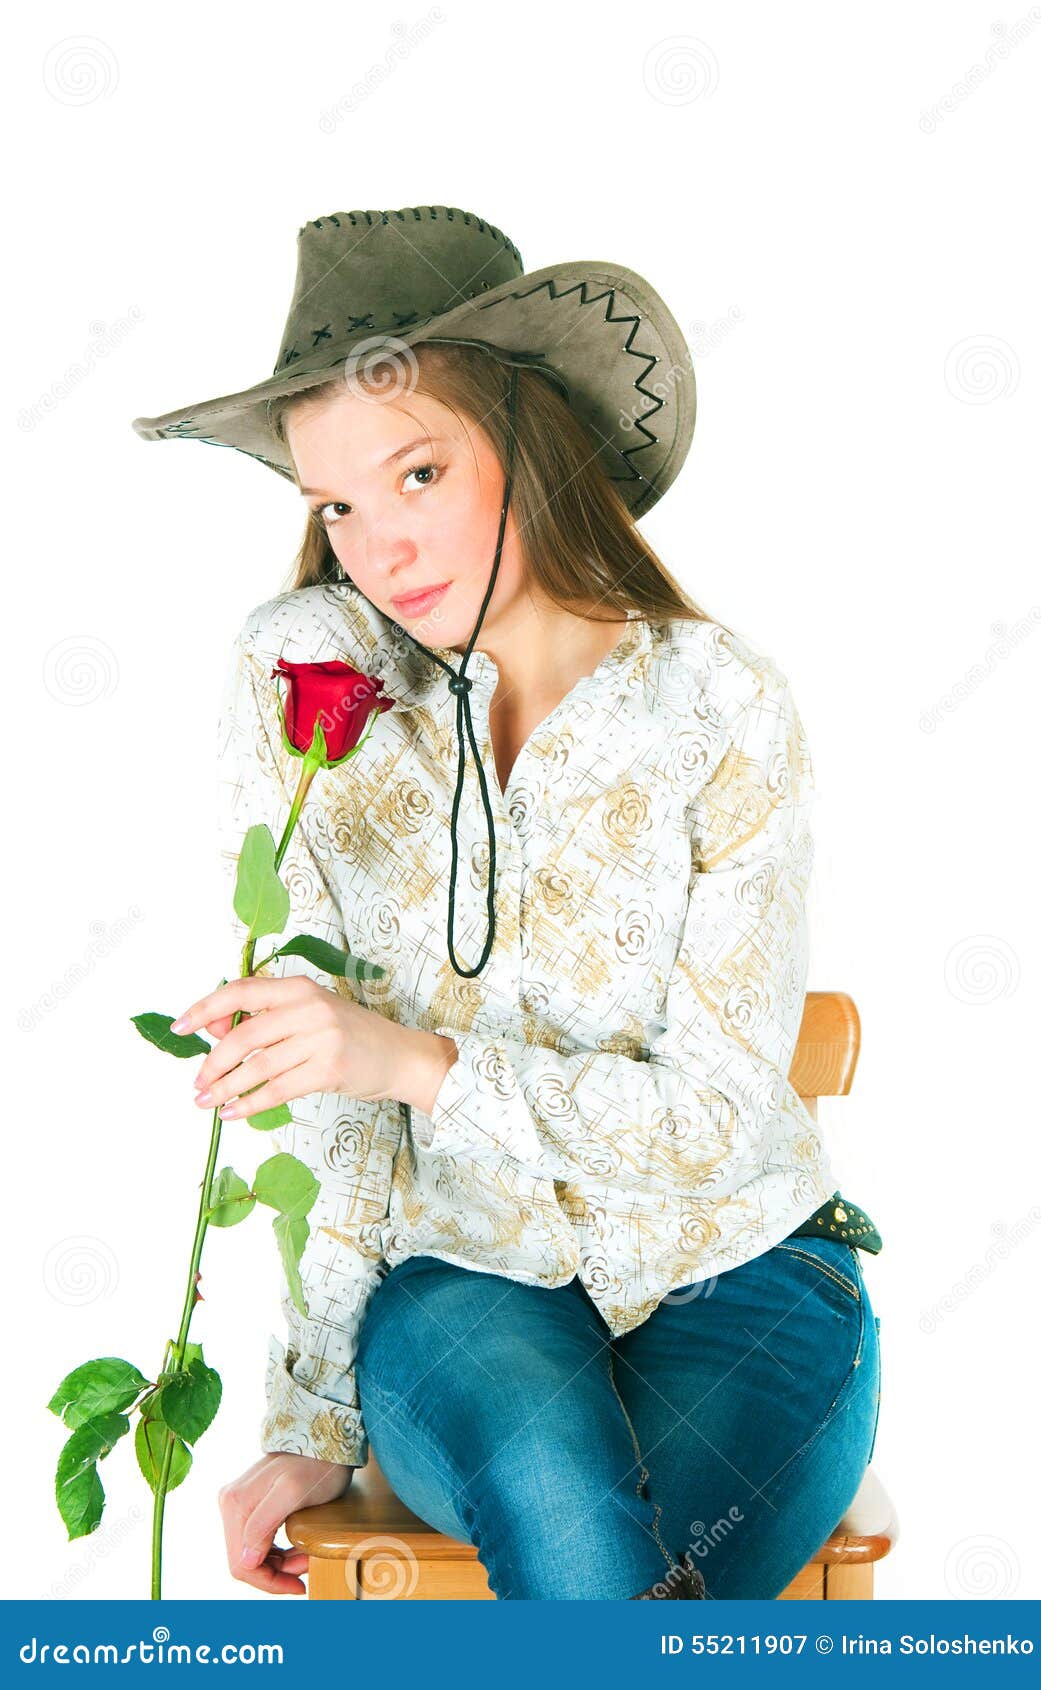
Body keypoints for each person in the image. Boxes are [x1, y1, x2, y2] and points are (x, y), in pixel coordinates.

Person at [134, 203, 883, 1600]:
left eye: (418, 472)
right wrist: (306, 1416)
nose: (378, 547)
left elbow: (720, 1118)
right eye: (338, 506)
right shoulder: (326, 712)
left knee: (616, 1569)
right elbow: (333, 1091)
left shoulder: (720, 708)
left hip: (743, 1274)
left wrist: (417, 1059)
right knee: (578, 1526)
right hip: (463, 1285)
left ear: (532, 445)